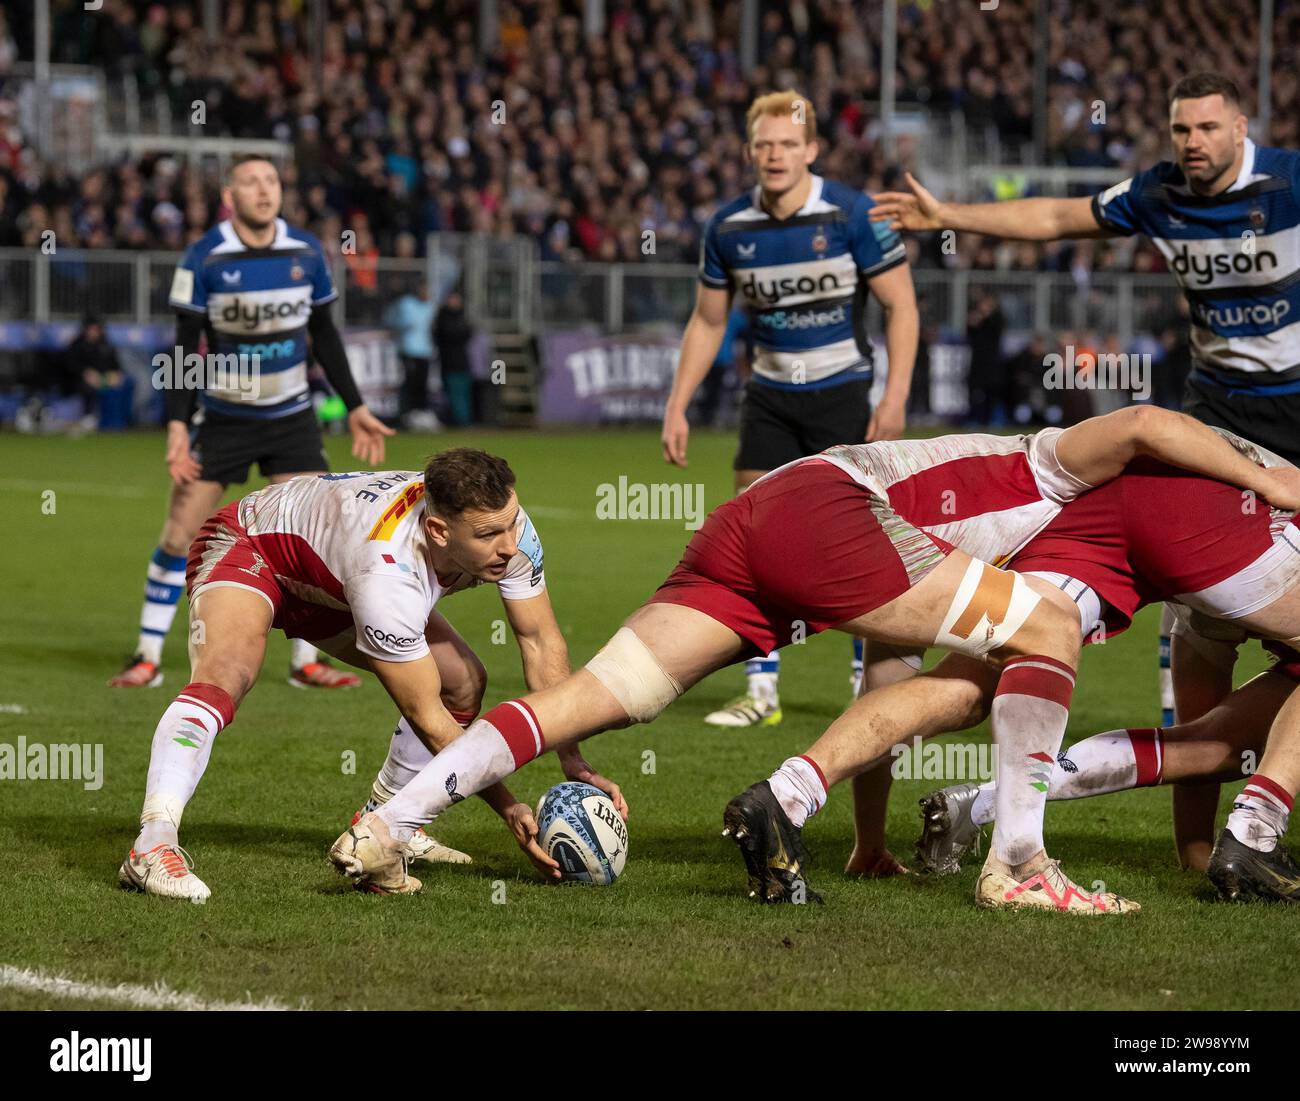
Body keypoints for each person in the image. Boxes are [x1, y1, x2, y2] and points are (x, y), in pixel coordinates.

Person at [329, 408, 1294, 912]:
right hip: (829, 509)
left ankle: (385, 823)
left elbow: (885, 674)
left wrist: (868, 836)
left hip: (762, 517)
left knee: (596, 699)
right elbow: (1141, 424)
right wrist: (1274, 479)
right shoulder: (1047, 463)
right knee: (1044, 627)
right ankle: (1021, 861)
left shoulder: (948, 557)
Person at [869, 70, 1300, 861]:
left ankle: (1001, 803)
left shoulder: (1292, 183)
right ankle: (1207, 846)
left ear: (1244, 127)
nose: (1193, 143)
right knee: (1205, 660)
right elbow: (1059, 215)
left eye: (1208, 128)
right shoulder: (1161, 193)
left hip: (1289, 443)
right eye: (1181, 130)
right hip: (1215, 448)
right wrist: (949, 214)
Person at [737, 428, 1300, 907]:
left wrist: (1196, 851)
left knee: (963, 689)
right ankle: (1253, 834)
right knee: (1225, 744)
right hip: (1218, 514)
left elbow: (1206, 732)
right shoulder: (1036, 467)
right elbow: (1142, 422)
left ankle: (789, 792)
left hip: (1102, 516)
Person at [119, 448, 621, 901]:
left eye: (511, 524)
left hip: (332, 577)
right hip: (253, 546)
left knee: (462, 681)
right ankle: (152, 843)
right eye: (490, 535)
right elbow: (423, 713)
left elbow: (539, 640)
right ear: (440, 531)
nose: (510, 545)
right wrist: (508, 806)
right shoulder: (387, 577)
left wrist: (571, 756)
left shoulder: (508, 529)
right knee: (227, 674)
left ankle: (383, 823)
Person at [658, 90, 918, 729]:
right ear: (751, 151)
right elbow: (707, 320)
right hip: (770, 398)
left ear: (812, 150)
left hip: (842, 395)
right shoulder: (728, 228)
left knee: (858, 540)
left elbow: (902, 307)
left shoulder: (855, 214)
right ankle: (761, 691)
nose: (775, 155)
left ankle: (865, 684)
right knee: (755, 537)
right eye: (764, 145)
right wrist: (678, 404)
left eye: (787, 144)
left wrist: (894, 397)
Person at [109, 155, 393, 691]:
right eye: (250, 182)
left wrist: (354, 405)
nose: (264, 190)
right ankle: (147, 656)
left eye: (271, 181)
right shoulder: (205, 257)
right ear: (230, 197)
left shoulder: (306, 252)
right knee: (179, 533)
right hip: (224, 418)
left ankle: (305, 663)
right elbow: (184, 345)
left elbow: (325, 334)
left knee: (312, 535)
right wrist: (175, 426)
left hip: (292, 417)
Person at [386, 279, 437, 428]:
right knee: (409, 382)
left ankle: (421, 413)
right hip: (409, 350)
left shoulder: (430, 307)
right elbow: (395, 322)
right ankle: (407, 414)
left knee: (422, 383)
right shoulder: (406, 304)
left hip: (425, 351)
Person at [434, 290, 474, 427]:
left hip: (462, 363)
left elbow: (467, 333)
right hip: (449, 363)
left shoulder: (461, 318)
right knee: (454, 394)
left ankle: (462, 421)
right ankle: (459, 421)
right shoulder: (443, 318)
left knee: (462, 394)